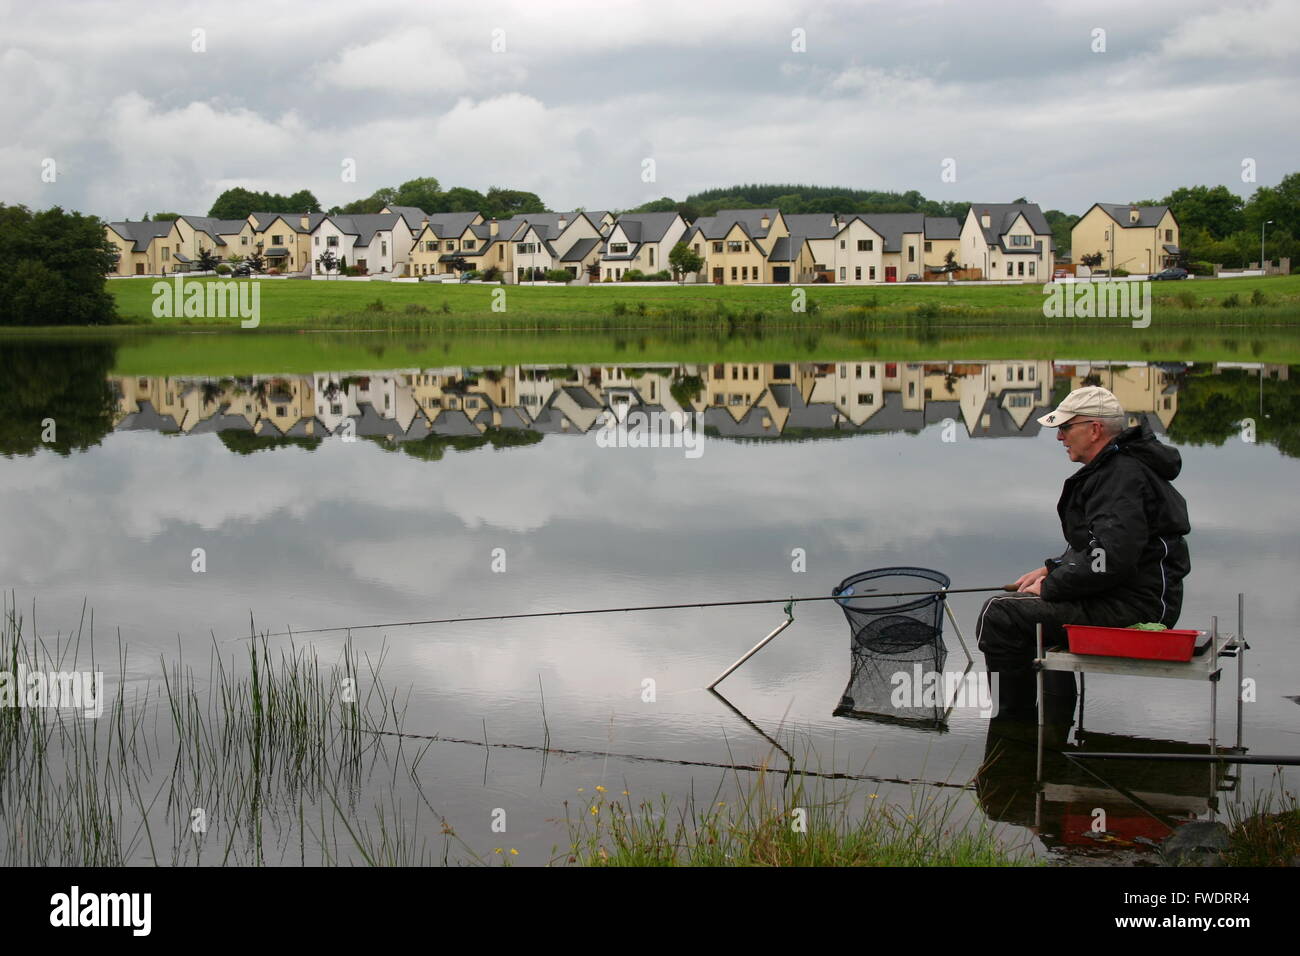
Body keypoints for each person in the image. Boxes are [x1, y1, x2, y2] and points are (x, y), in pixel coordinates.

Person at [976, 385, 1191, 718]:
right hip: (1124, 595)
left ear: (1094, 429)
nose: (1060, 437)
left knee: (1001, 615)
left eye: (1065, 427)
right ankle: (1052, 722)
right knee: (1019, 609)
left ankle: (1011, 727)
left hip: (1138, 609)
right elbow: (1099, 547)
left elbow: (1110, 561)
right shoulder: (1118, 468)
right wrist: (1053, 567)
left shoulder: (1122, 477)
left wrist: (1051, 587)